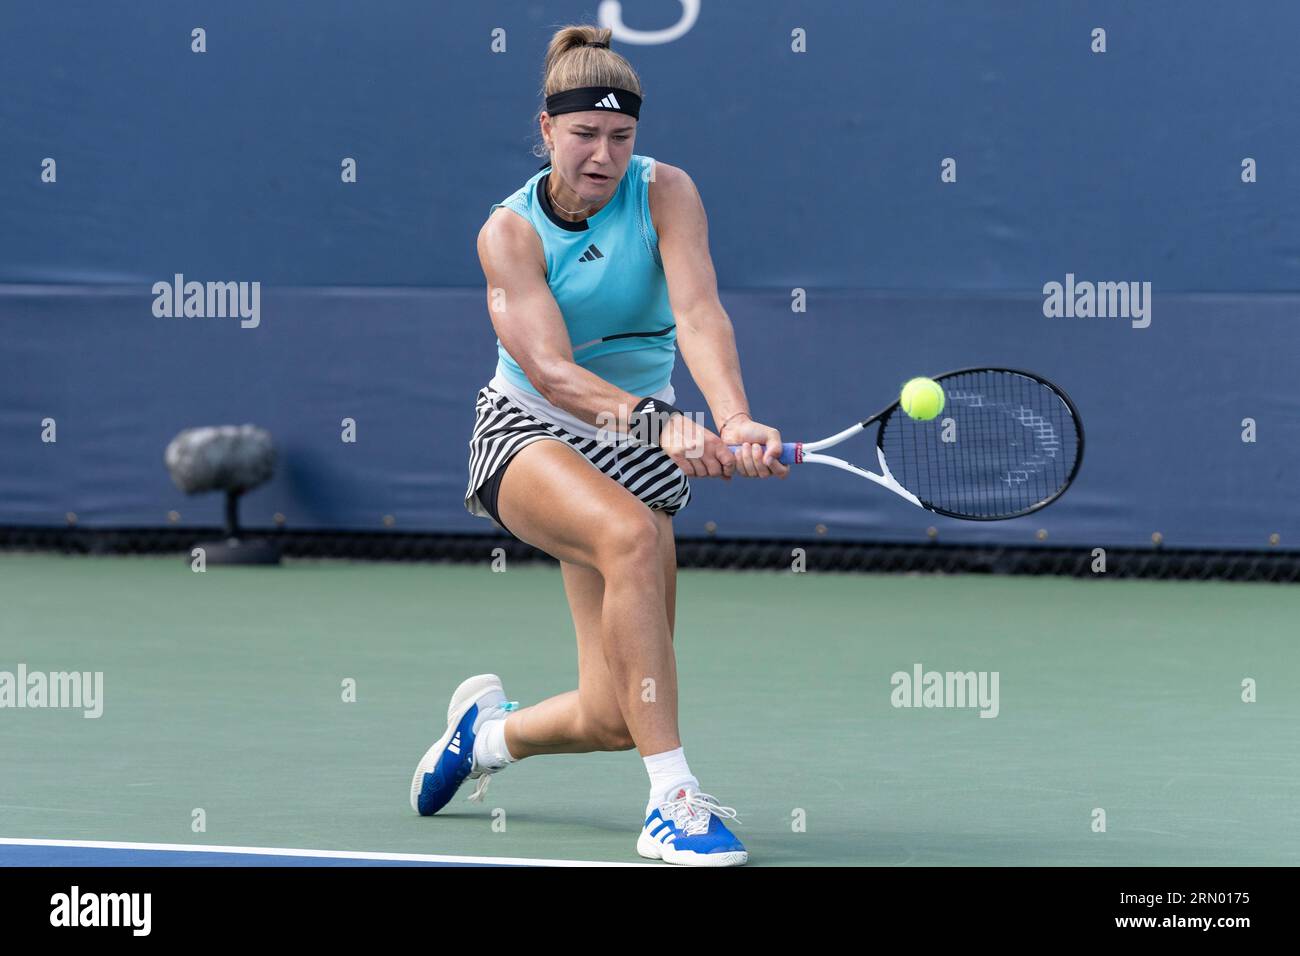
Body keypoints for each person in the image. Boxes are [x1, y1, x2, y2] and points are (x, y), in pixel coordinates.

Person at [410, 23, 788, 867]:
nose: (603, 156)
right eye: (584, 134)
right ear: (546, 130)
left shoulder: (667, 193)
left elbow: (698, 313)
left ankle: (486, 740)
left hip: (635, 438)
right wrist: (666, 427)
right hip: (529, 433)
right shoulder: (507, 232)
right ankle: (674, 802)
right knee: (624, 535)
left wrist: (732, 417)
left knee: (616, 713)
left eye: (621, 138)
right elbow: (550, 371)